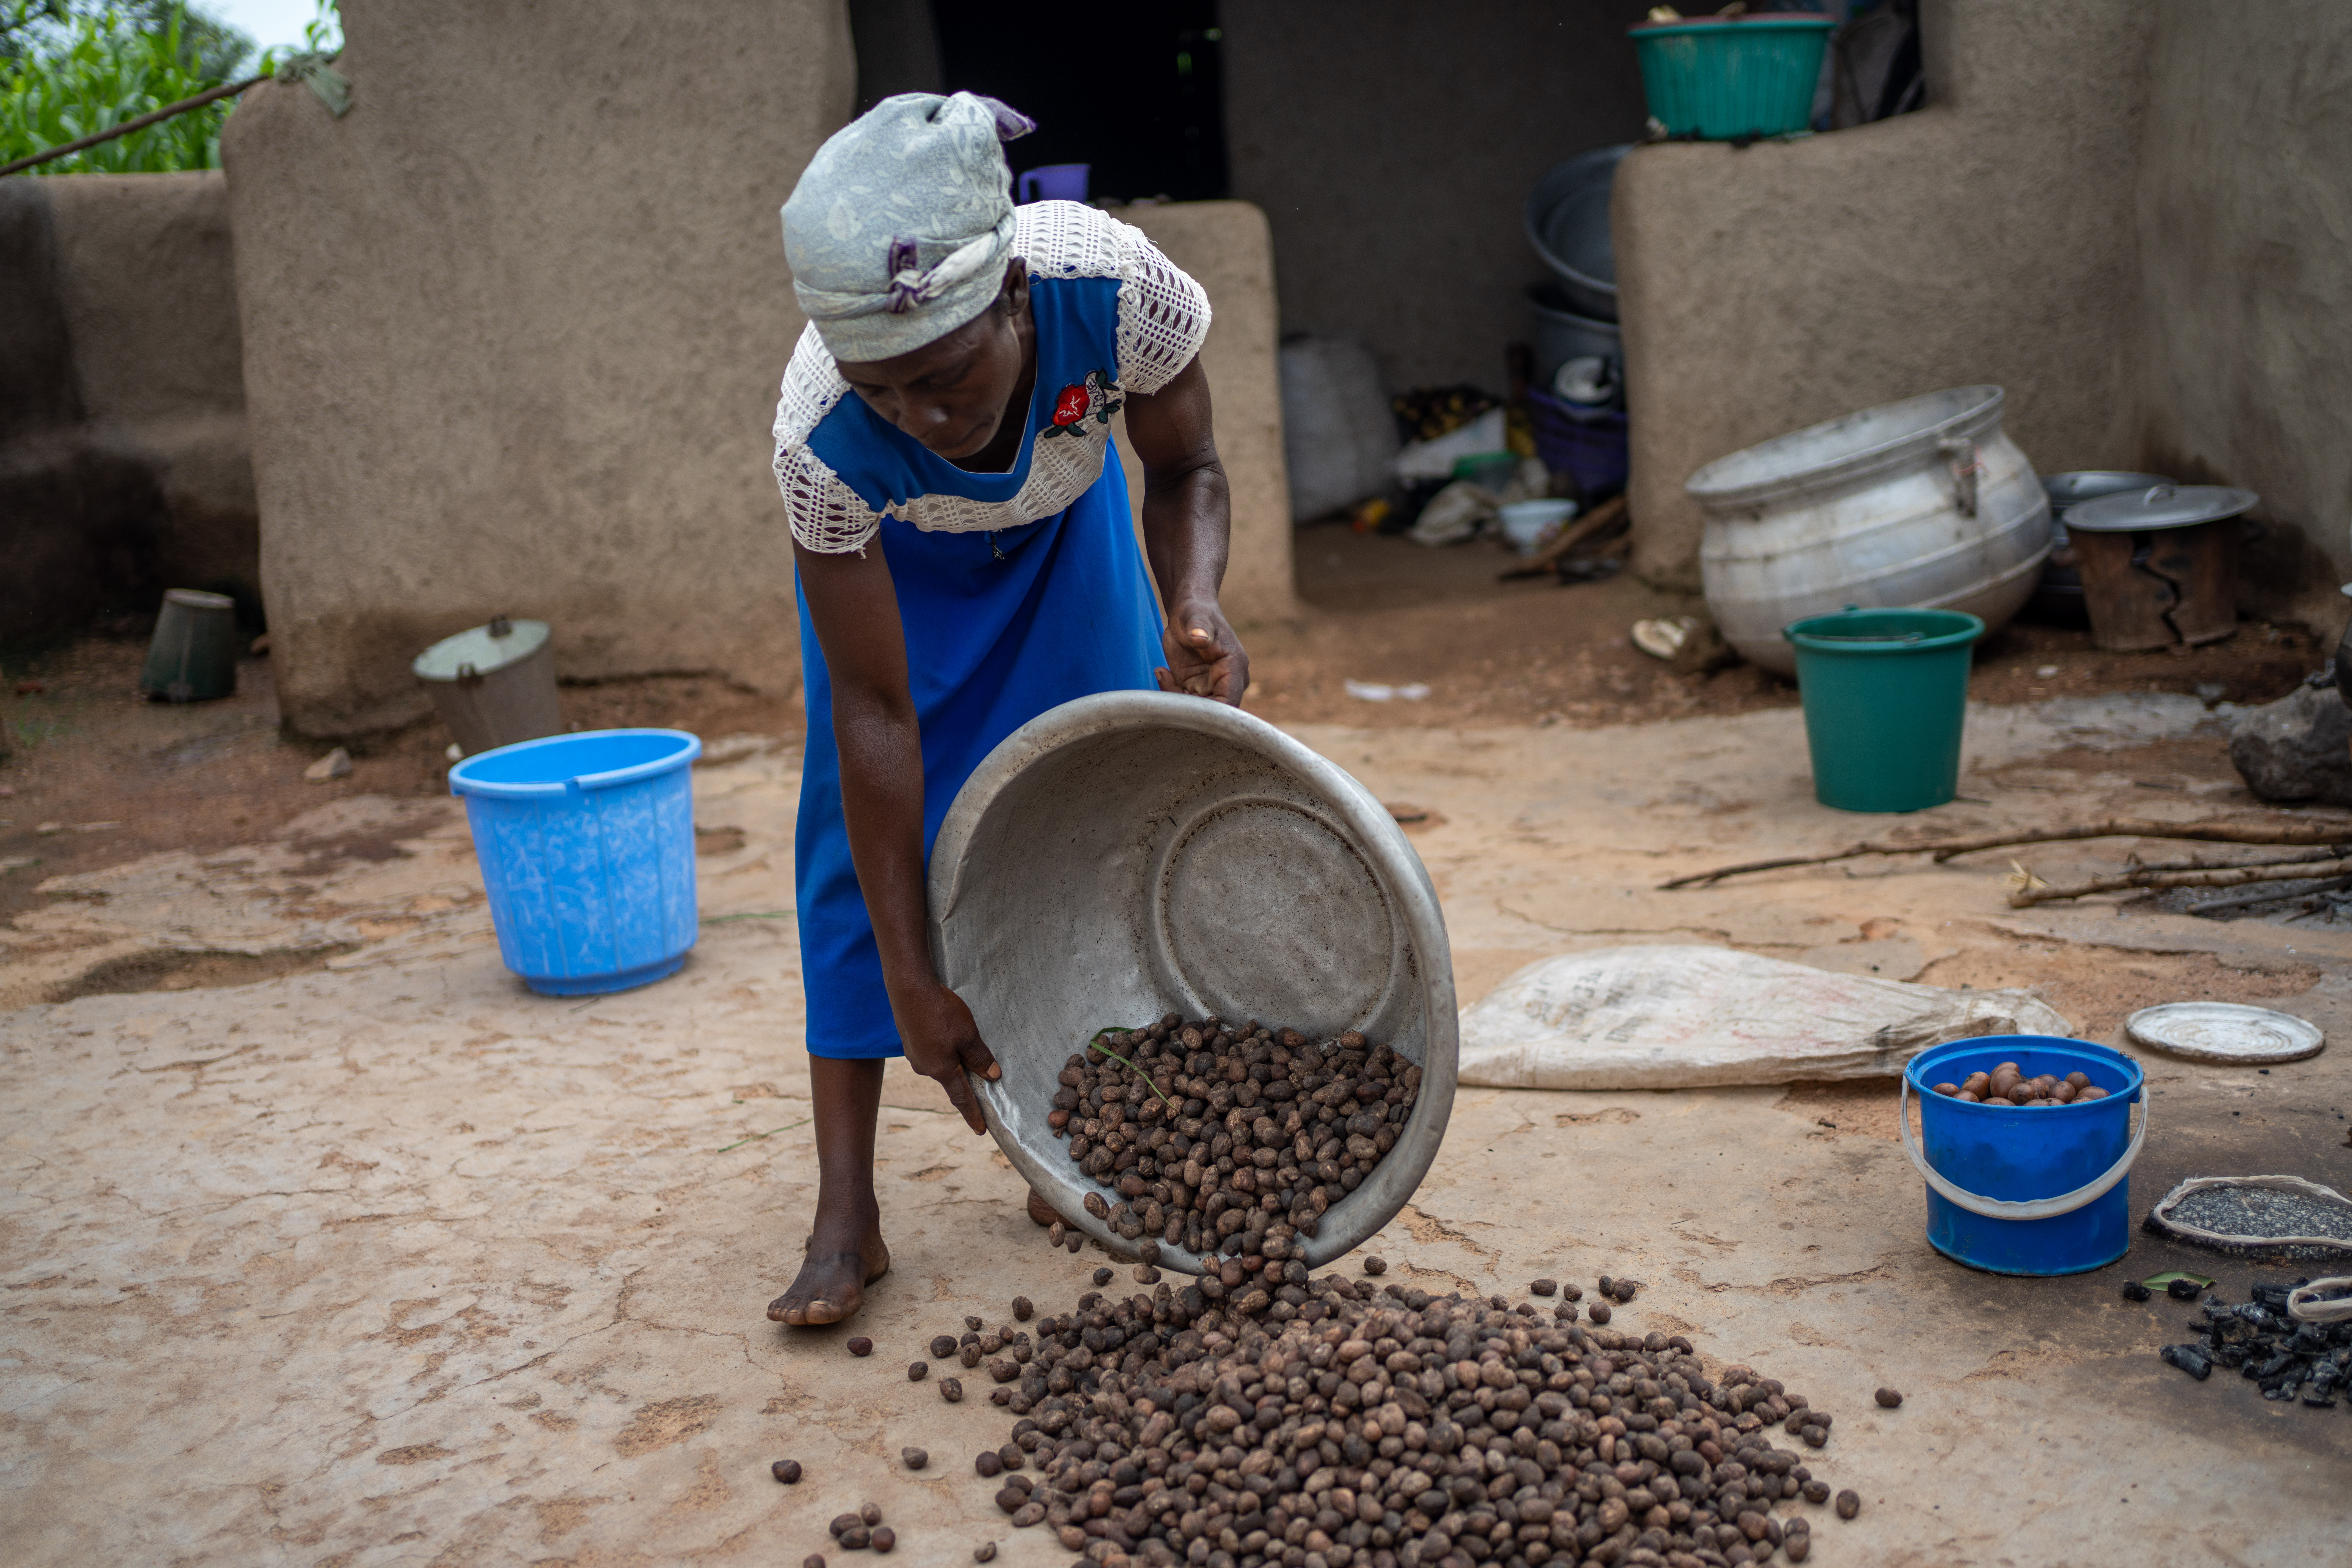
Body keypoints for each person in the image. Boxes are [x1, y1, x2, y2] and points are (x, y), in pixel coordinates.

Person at [765, 92, 1249, 1326]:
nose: (921, 416)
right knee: (851, 854)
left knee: (1094, 820)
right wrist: (917, 980)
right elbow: (876, 718)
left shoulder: (1113, 286)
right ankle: (845, 1216)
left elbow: (1185, 467)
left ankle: (1074, 1136)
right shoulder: (821, 439)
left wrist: (1193, 598)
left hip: (1064, 546)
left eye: (942, 375)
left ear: (1016, 295)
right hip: (900, 582)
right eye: (889, 396)